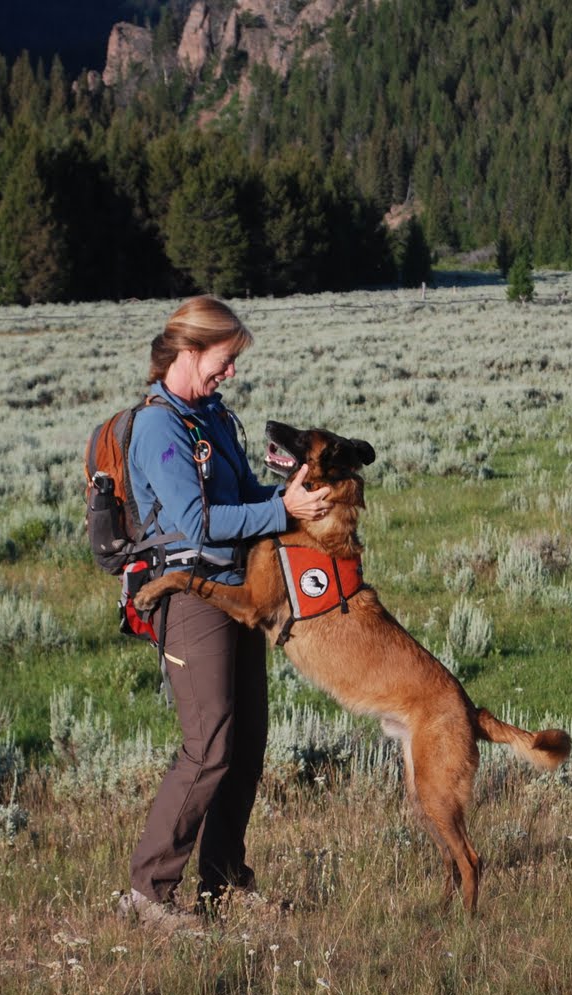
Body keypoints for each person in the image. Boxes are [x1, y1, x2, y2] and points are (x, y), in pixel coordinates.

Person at [118, 296, 330, 932]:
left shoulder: (211, 416)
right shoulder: (159, 428)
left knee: (246, 744)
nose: (231, 372)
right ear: (190, 352)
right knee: (209, 746)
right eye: (225, 358)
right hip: (190, 597)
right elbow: (198, 523)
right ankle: (149, 893)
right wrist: (283, 511)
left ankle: (223, 883)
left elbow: (240, 498)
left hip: (238, 594)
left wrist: (294, 497)